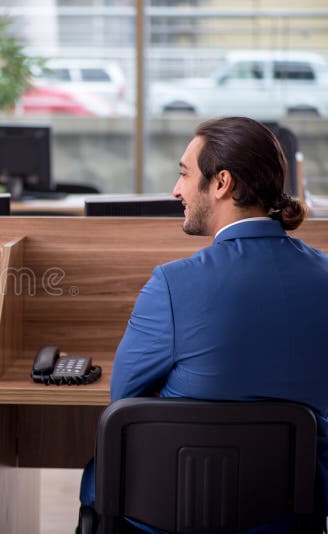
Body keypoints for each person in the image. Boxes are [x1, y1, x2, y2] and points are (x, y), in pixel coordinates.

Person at [79, 117, 328, 531]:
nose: (176, 190)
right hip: (288, 516)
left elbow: (124, 400)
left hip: (173, 512)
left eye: (184, 174)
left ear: (221, 183)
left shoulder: (173, 283)